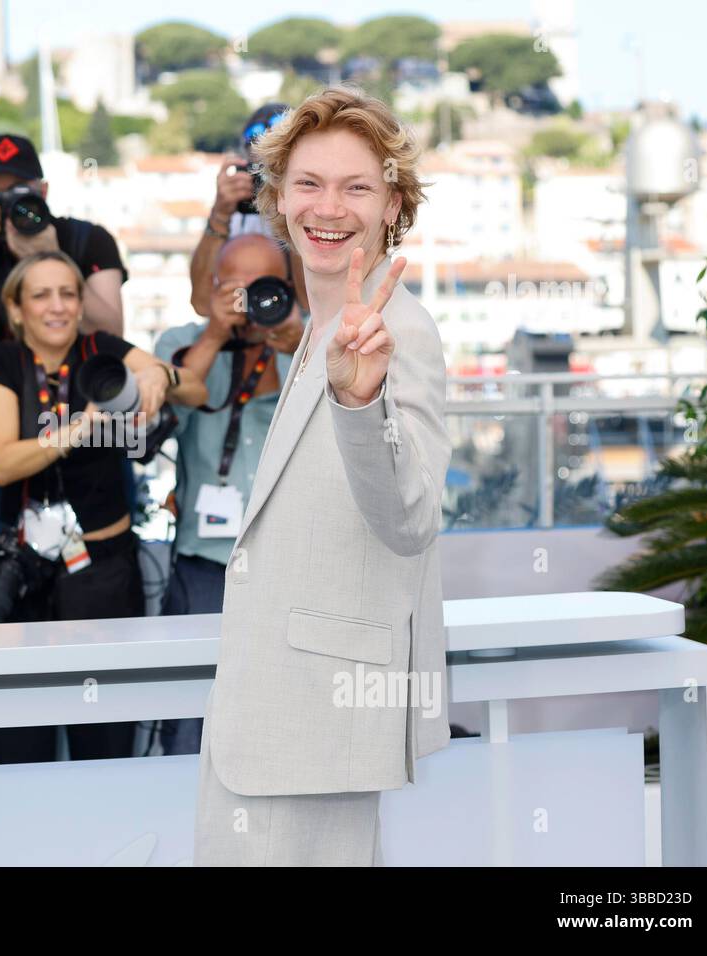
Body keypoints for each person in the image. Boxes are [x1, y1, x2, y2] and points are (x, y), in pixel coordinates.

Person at [193, 87, 453, 866]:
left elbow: (410, 518)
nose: (327, 207)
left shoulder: (397, 330)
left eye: (356, 186)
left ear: (393, 204)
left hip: (313, 718)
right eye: (307, 183)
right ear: (276, 198)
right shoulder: (323, 322)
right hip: (277, 717)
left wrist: (358, 397)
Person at [0, 251, 206, 763]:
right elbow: (4, 465)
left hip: (103, 570)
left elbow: (197, 388)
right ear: (16, 309)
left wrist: (159, 378)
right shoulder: (4, 362)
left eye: (68, 293)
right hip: (26, 570)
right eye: (40, 295)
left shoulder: (101, 350)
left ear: (82, 303)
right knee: (19, 738)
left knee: (105, 733)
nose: (56, 306)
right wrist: (77, 428)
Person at [153, 233, 304, 756]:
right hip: (204, 561)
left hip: (290, 559)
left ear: (287, 288)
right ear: (212, 288)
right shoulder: (183, 343)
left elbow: (326, 416)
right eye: (234, 287)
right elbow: (155, 418)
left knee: (287, 708)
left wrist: (289, 341)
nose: (250, 301)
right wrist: (216, 334)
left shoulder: (313, 344)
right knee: (191, 714)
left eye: (262, 287)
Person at [0, 133, 127, 371]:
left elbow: (110, 333)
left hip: (82, 391)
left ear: (43, 191)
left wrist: (53, 257)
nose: (9, 203)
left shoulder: (89, 240)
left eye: (18, 192)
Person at [189, 104, 308, 318]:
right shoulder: (232, 212)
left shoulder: (312, 204)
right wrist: (220, 214)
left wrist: (290, 211)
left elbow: (308, 302)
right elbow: (202, 304)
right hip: (240, 321)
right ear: (244, 155)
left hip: (294, 323)